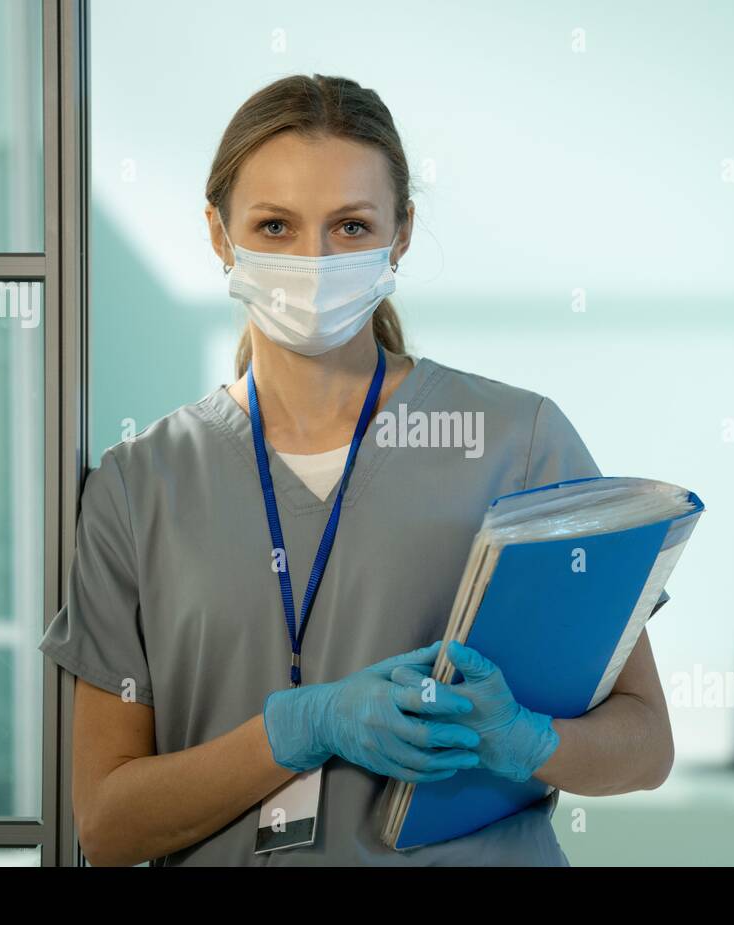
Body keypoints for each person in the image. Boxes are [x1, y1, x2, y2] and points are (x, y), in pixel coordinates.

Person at [39, 74, 674, 867]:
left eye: (349, 225)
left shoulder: (516, 441)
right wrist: (298, 729)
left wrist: (528, 741)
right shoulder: (139, 489)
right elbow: (106, 826)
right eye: (274, 226)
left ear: (400, 234)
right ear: (217, 233)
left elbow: (645, 745)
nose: (313, 260)